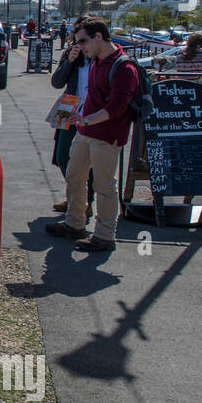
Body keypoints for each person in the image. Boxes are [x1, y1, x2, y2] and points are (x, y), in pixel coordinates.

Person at [44, 18, 139, 252]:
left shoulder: (124, 67)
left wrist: (85, 119)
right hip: (84, 130)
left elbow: (117, 107)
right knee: (74, 175)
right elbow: (66, 84)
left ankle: (105, 236)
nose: (80, 46)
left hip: (106, 134)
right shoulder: (95, 61)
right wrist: (80, 116)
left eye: (83, 41)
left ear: (99, 36)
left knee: (104, 185)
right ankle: (74, 222)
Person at [50, 16, 93, 218]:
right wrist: (69, 61)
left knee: (88, 160)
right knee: (61, 156)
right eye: (78, 40)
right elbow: (57, 82)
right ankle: (76, 196)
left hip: (91, 110)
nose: (80, 44)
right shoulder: (71, 55)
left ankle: (85, 201)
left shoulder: (100, 56)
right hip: (68, 105)